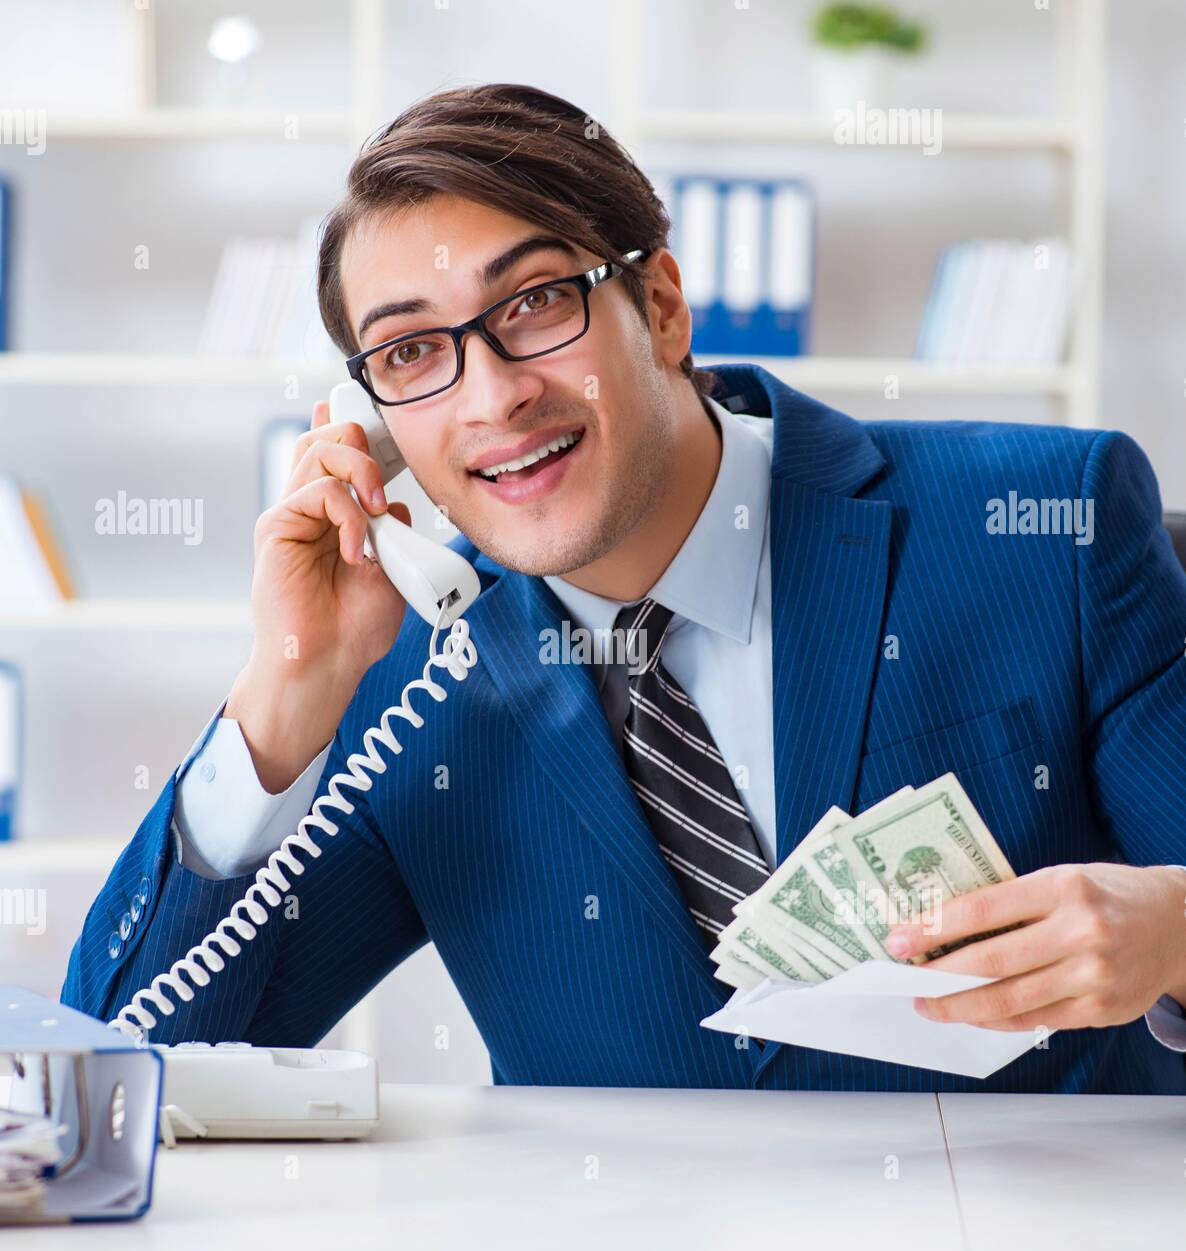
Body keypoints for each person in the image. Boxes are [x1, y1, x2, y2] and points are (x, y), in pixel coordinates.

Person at [62, 84, 1186, 1092]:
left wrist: (1173, 930)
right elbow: (117, 1075)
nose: (492, 397)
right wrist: (285, 692)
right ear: (375, 422)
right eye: (410, 354)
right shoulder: (400, 678)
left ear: (659, 305)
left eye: (536, 304)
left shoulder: (1049, 524)